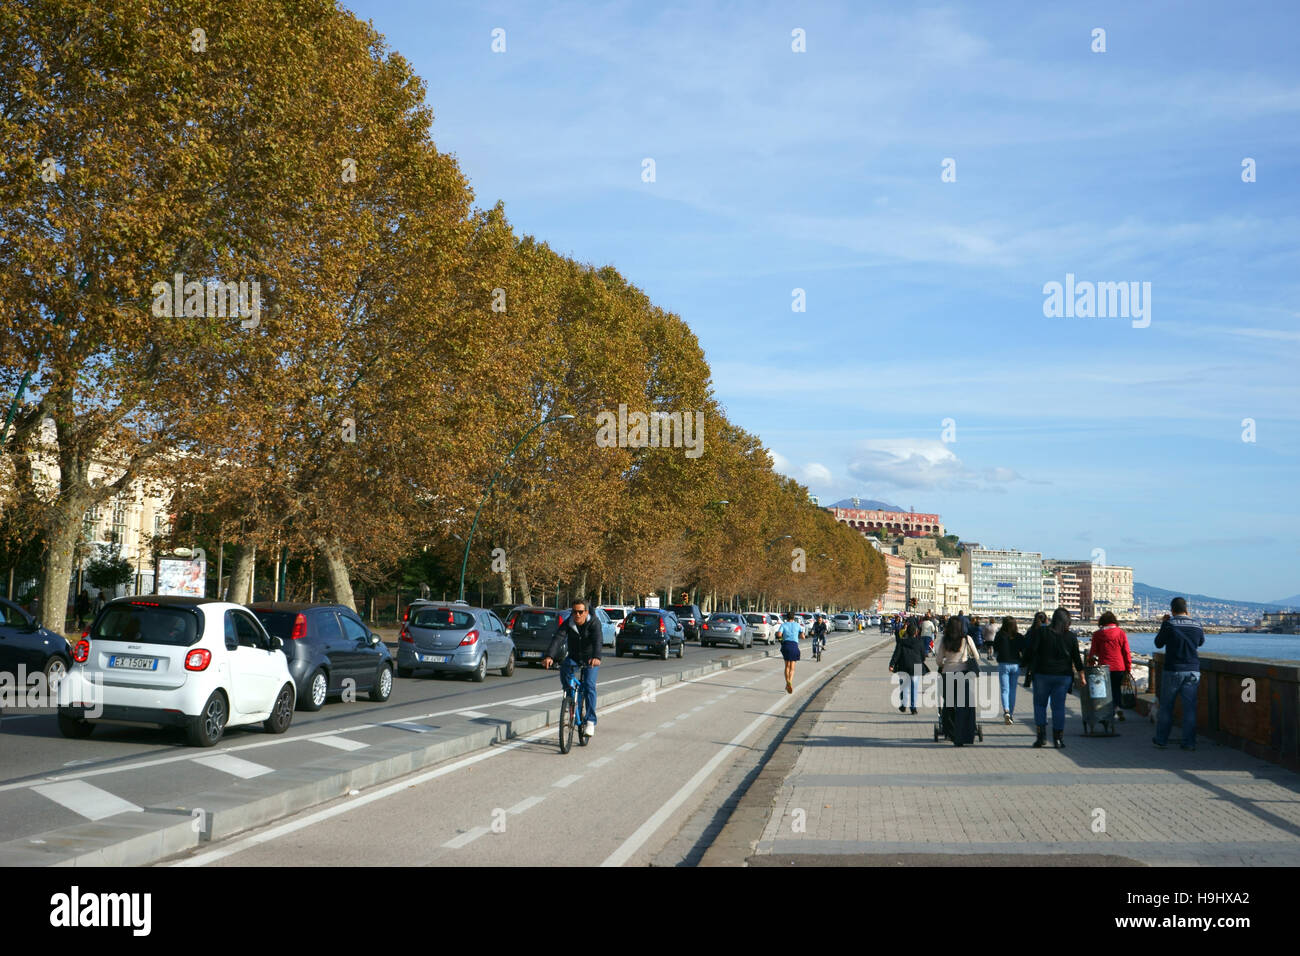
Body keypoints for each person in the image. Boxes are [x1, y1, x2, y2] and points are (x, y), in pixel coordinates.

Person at [1022, 607, 1085, 748]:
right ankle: (1058, 739)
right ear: (1067, 621)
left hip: (1042, 675)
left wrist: (1024, 663)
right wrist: (1082, 676)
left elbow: (1032, 650)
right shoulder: (1071, 637)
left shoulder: (1041, 632)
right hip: (1062, 677)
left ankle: (1041, 737)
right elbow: (1077, 659)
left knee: (1039, 705)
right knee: (1058, 708)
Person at [542, 598, 603, 738]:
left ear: (586, 612)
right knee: (564, 668)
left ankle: (591, 722)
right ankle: (570, 698)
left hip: (590, 659)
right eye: (574, 612)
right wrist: (549, 656)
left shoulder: (594, 623)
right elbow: (558, 638)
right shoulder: (569, 623)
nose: (577, 615)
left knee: (589, 685)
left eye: (581, 612)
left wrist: (597, 657)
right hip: (574, 657)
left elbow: (598, 640)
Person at [1152, 597, 1205, 751]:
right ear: (1186, 609)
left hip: (1173, 669)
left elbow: (1158, 643)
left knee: (1167, 706)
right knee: (1190, 708)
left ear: (1172, 610)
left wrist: (1164, 624)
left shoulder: (1169, 624)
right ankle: (1189, 742)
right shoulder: (1197, 624)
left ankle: (1161, 740)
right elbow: (1200, 642)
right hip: (1193, 670)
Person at [934, 616, 981, 745]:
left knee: (949, 704)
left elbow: (938, 660)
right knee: (963, 705)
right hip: (963, 675)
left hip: (947, 674)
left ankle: (950, 732)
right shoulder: (966, 639)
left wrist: (945, 663)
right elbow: (976, 656)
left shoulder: (944, 640)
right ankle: (963, 733)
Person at [1087, 611, 1133, 722]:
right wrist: (1128, 668)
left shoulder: (1097, 635)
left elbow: (1093, 653)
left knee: (1105, 692)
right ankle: (1117, 708)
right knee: (1116, 689)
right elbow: (1126, 652)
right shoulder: (1121, 633)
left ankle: (1109, 713)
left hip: (1103, 667)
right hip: (1119, 667)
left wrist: (1091, 665)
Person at [889, 619, 927, 715]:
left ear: (907, 632)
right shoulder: (920, 642)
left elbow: (896, 654)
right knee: (915, 688)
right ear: (916, 632)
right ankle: (913, 708)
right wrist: (921, 660)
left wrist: (892, 664)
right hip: (917, 665)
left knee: (904, 686)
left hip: (904, 665)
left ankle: (903, 704)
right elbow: (923, 655)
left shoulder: (901, 642)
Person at [992, 615, 1024, 724]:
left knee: (1005, 690)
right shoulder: (1019, 636)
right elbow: (1023, 650)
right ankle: (1011, 713)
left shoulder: (1000, 635)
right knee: (1013, 690)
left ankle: (1006, 710)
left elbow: (995, 648)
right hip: (1015, 665)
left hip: (1003, 663)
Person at [777, 611, 802, 693]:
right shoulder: (797, 625)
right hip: (794, 646)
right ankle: (790, 682)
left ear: (786, 618)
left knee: (787, 666)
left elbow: (779, 635)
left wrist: (781, 639)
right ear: (793, 617)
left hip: (786, 645)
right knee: (792, 668)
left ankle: (787, 681)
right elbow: (803, 636)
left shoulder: (783, 625)